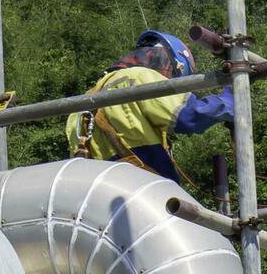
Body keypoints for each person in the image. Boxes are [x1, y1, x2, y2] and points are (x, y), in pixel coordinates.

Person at [67, 29, 234, 189]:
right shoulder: (139, 76)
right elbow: (190, 116)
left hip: (99, 198)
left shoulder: (81, 105)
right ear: (174, 64)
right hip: (143, 190)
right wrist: (229, 100)